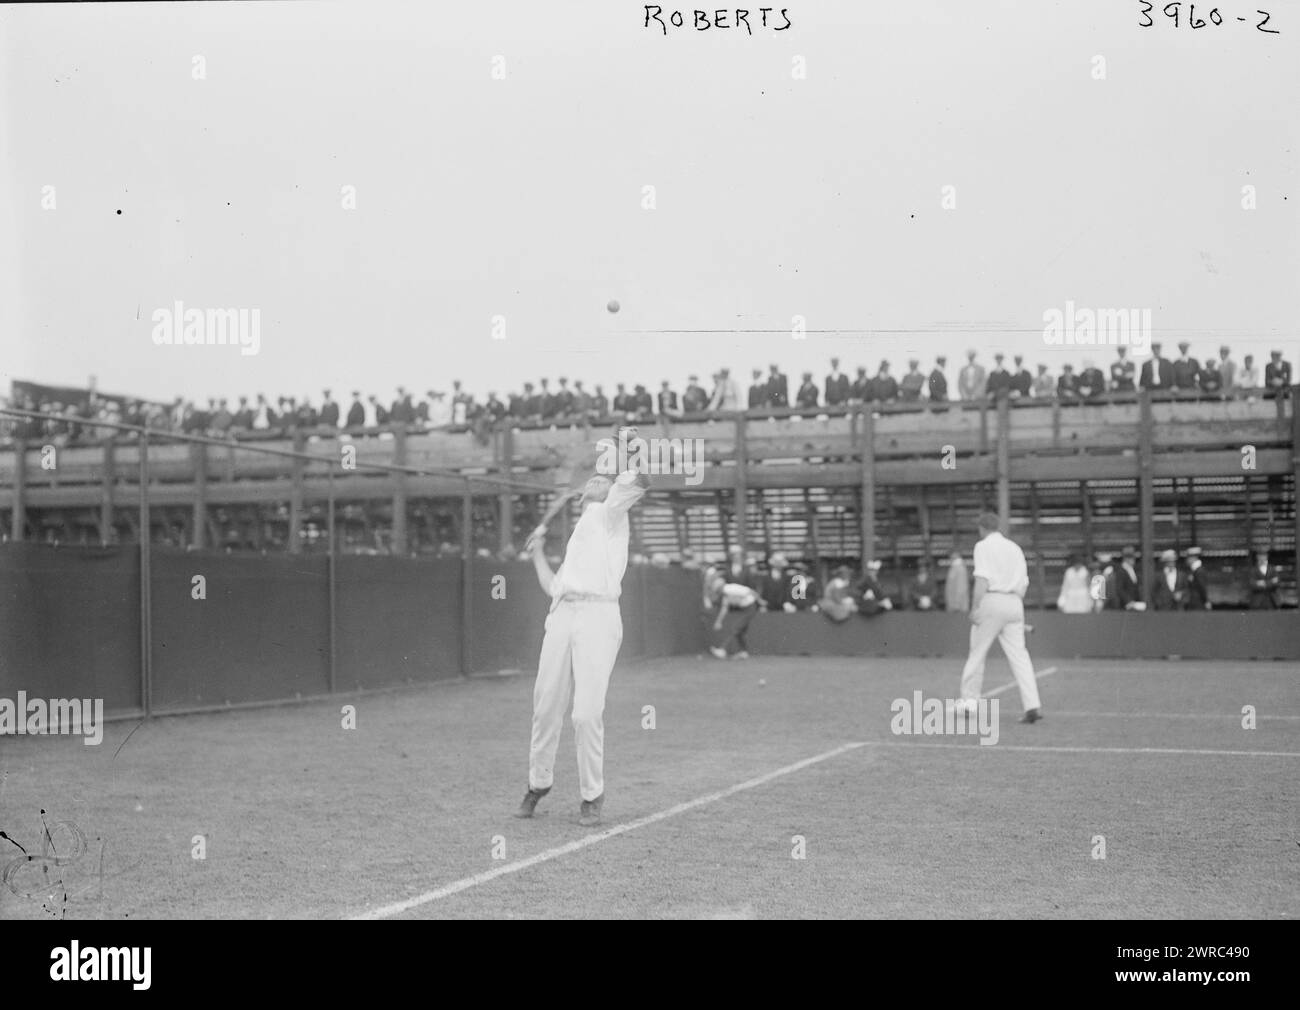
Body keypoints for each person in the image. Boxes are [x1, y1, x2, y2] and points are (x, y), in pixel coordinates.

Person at [514, 463, 650, 827]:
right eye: (594, 479)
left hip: (598, 616)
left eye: (604, 480)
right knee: (545, 707)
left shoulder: (610, 515)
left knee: (585, 714)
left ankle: (592, 796)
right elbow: (554, 587)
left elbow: (637, 480)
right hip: (562, 614)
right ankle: (537, 784)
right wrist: (538, 553)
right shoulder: (581, 533)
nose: (596, 480)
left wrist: (631, 455)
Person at [956, 513, 1042, 723]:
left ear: (982, 528)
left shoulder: (982, 546)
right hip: (1014, 602)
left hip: (992, 600)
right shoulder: (1015, 548)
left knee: (977, 653)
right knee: (1020, 657)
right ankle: (1032, 705)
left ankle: (969, 702)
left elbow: (982, 580)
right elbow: (1023, 583)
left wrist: (976, 607)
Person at [704, 566, 760, 659]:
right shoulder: (725, 594)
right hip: (746, 609)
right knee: (740, 631)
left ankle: (723, 649)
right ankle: (743, 652)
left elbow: (749, 591)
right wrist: (719, 622)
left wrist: (760, 601)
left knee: (736, 628)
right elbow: (724, 609)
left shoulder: (730, 589)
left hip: (750, 607)